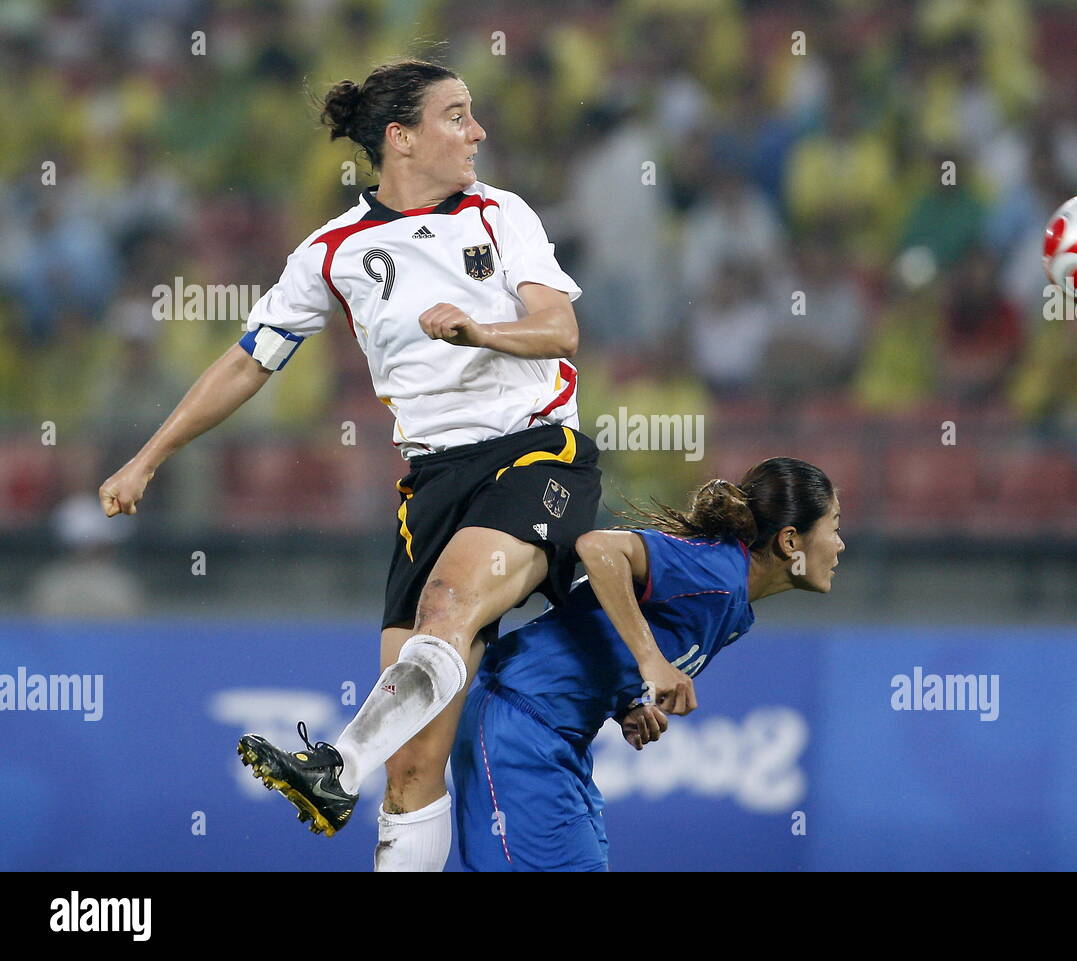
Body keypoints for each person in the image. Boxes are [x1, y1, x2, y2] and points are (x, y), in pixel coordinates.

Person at [97, 58, 694, 868]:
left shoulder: (501, 213)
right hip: (433, 486)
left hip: (534, 455)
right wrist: (148, 456)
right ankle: (357, 775)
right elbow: (248, 360)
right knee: (413, 765)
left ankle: (333, 764)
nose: (477, 130)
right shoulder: (330, 251)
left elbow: (559, 331)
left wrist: (479, 331)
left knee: (448, 606)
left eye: (473, 114)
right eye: (457, 115)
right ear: (400, 137)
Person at [451, 457, 843, 871]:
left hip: (558, 739)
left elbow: (589, 615)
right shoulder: (717, 571)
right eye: (834, 527)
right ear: (790, 541)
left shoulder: (733, 608)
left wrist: (626, 703)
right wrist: (651, 661)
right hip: (520, 729)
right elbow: (598, 549)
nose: (840, 544)